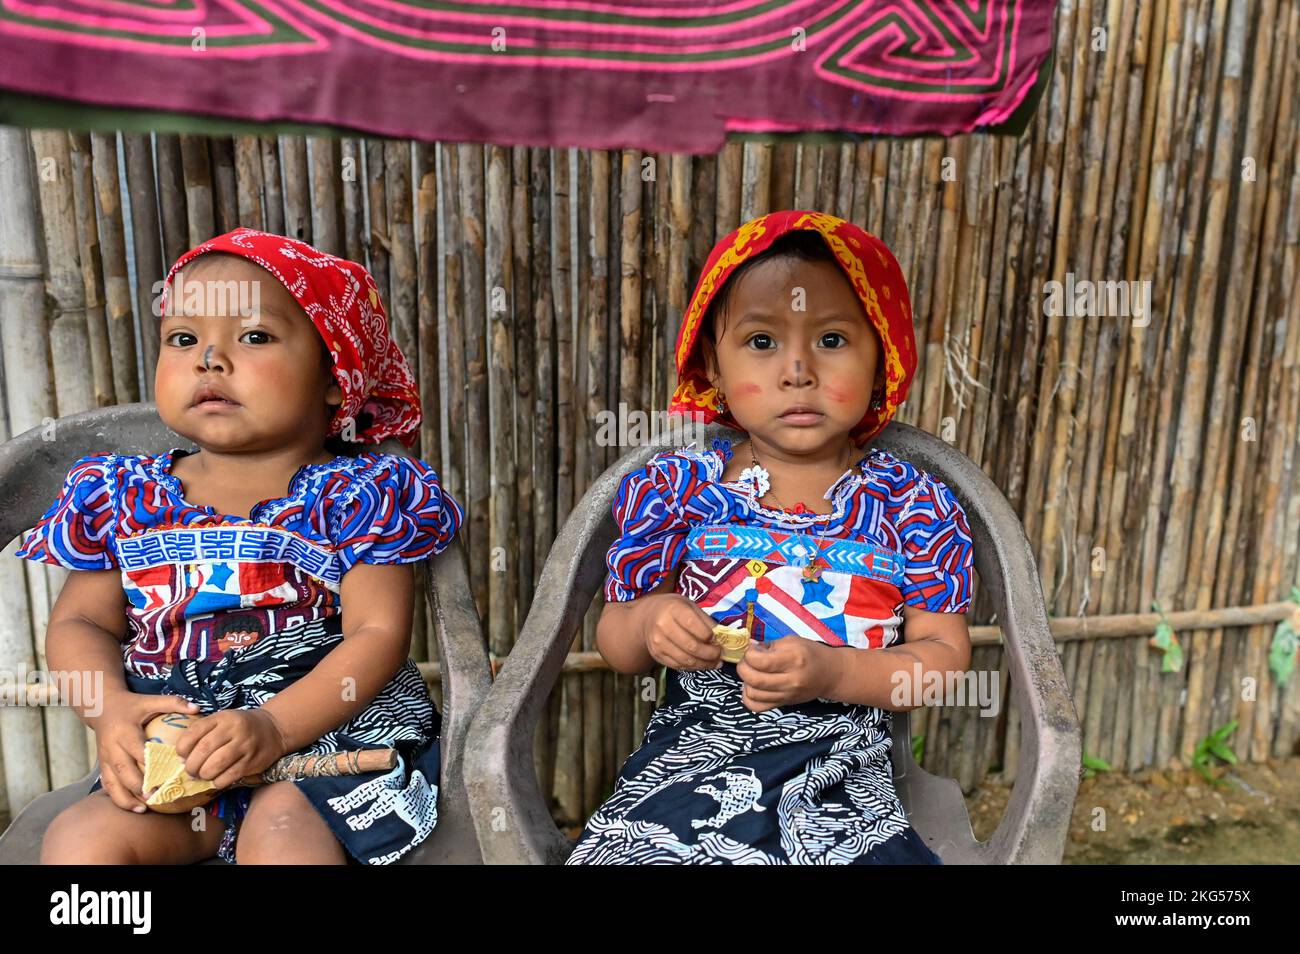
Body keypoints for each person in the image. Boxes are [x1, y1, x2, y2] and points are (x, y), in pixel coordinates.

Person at [21, 227, 462, 865]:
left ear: (336, 377)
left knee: (282, 842)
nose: (209, 359)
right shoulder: (127, 498)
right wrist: (110, 708)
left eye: (253, 336)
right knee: (80, 845)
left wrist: (274, 728)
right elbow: (80, 621)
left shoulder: (359, 494)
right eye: (183, 339)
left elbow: (378, 634)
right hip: (180, 759)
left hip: (326, 757)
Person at [567, 210, 974, 864]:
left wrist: (833, 668)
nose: (797, 370)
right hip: (688, 762)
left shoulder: (913, 504)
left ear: (884, 357)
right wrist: (653, 621)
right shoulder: (680, 490)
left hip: (841, 772)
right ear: (713, 365)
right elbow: (617, 642)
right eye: (761, 342)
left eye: (833, 339)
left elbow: (940, 664)